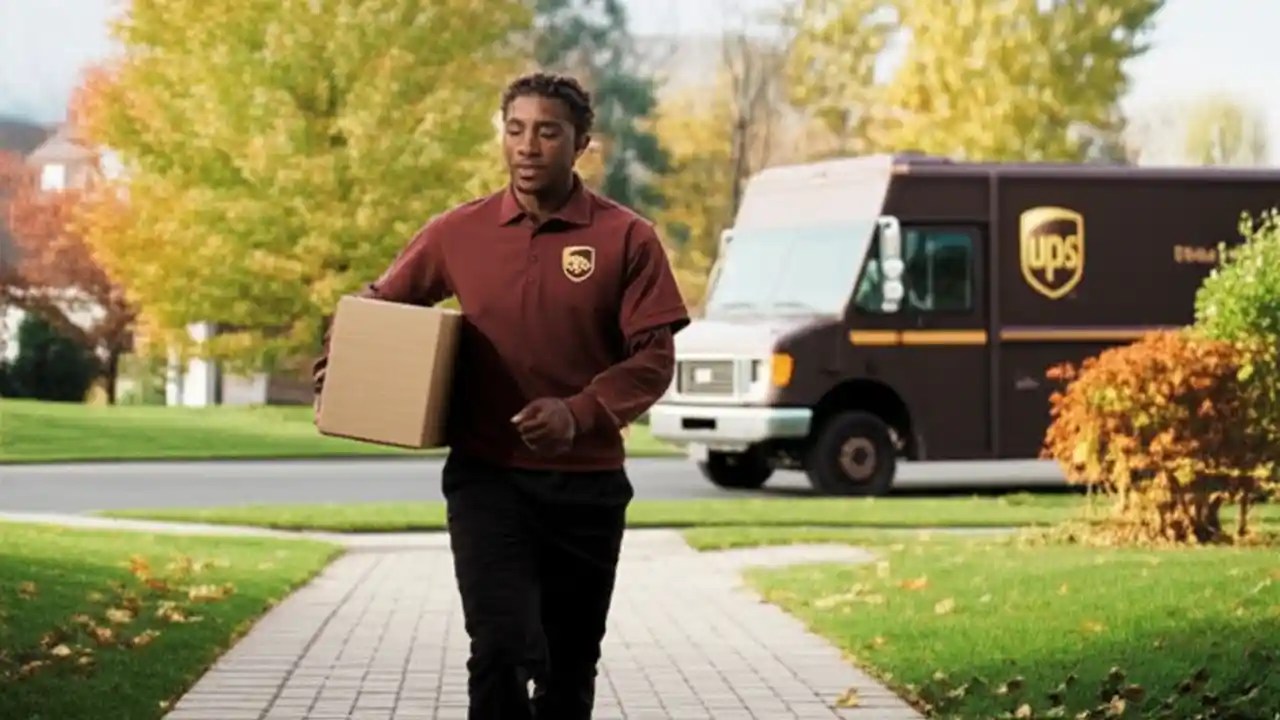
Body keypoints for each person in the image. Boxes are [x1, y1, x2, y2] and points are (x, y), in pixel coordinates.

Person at [312, 71, 689, 719]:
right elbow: (382, 304)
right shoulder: (458, 232)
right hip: (489, 481)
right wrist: (343, 361)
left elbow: (654, 357)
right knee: (501, 648)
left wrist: (579, 413)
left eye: (548, 132)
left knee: (569, 663)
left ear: (581, 144)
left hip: (588, 487)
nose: (528, 146)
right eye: (515, 130)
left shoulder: (627, 238)